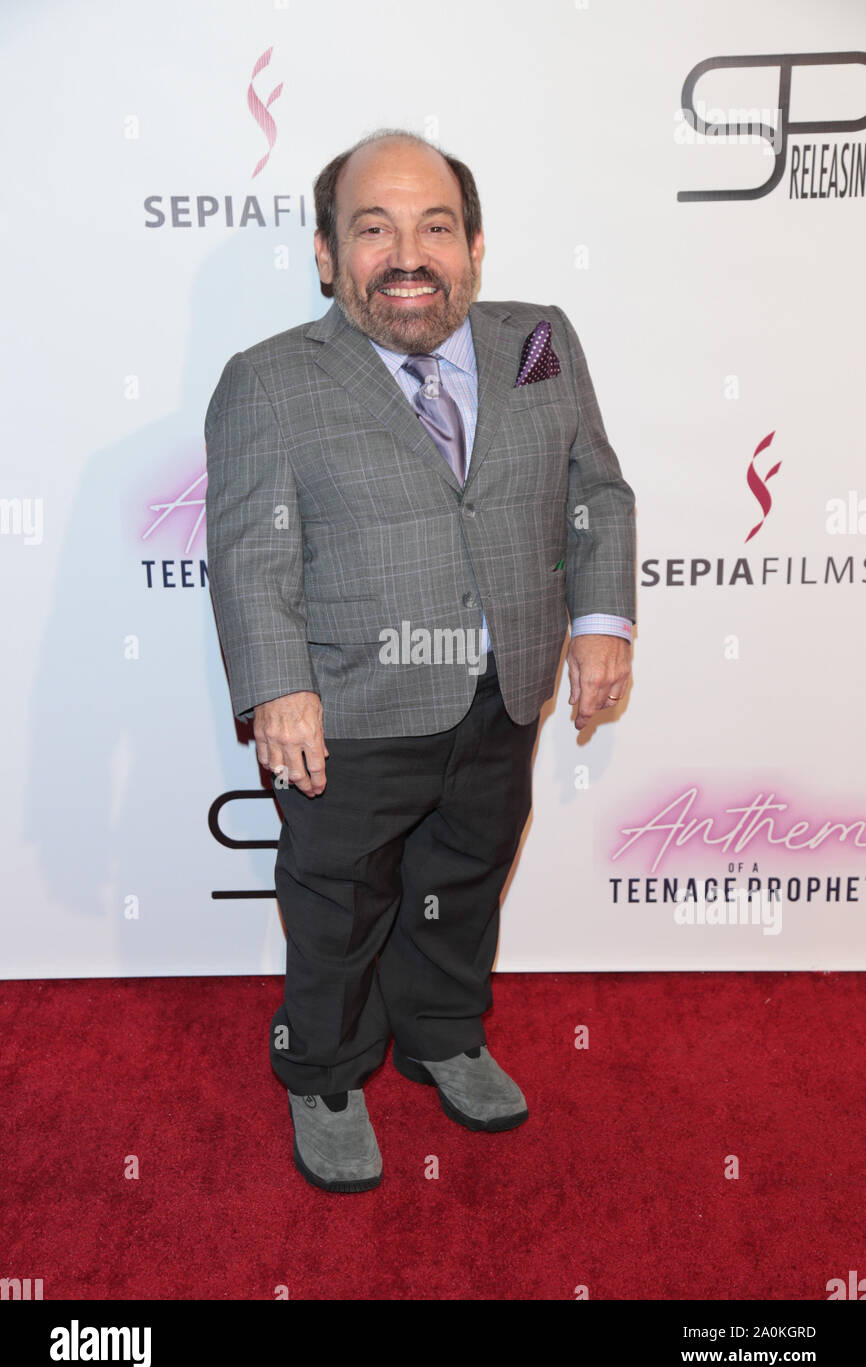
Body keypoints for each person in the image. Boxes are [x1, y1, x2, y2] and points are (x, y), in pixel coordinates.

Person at [204, 128, 636, 1193]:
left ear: (474, 245)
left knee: (465, 874)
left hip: (502, 689)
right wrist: (276, 686)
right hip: (352, 703)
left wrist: (599, 620)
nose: (408, 253)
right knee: (338, 900)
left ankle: (442, 1030)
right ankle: (327, 1070)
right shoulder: (269, 381)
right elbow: (250, 550)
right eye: (373, 229)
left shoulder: (539, 340)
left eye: (434, 226)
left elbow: (596, 490)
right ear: (324, 254)